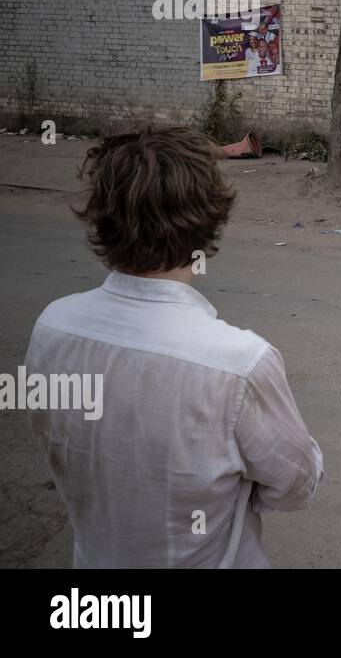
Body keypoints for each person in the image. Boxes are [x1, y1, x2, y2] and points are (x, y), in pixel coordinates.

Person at [25, 127, 323, 567]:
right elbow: (297, 484)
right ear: (208, 220)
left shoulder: (53, 326)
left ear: (102, 217)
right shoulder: (238, 363)